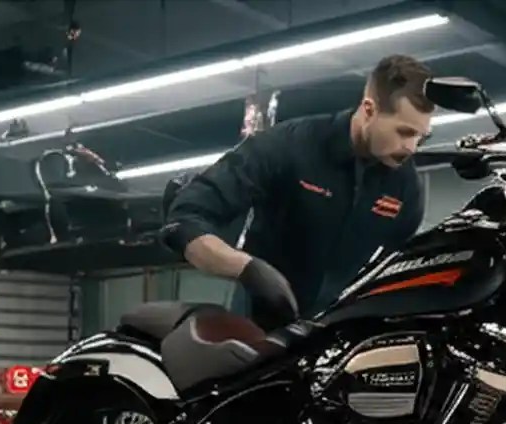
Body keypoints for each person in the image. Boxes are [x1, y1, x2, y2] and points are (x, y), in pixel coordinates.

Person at [163, 54, 434, 330]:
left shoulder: (406, 187)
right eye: (404, 132)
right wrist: (248, 269)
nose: (411, 147)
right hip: (258, 323)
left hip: (334, 332)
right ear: (369, 109)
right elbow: (184, 218)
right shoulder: (289, 147)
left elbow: (397, 268)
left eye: (421, 137)